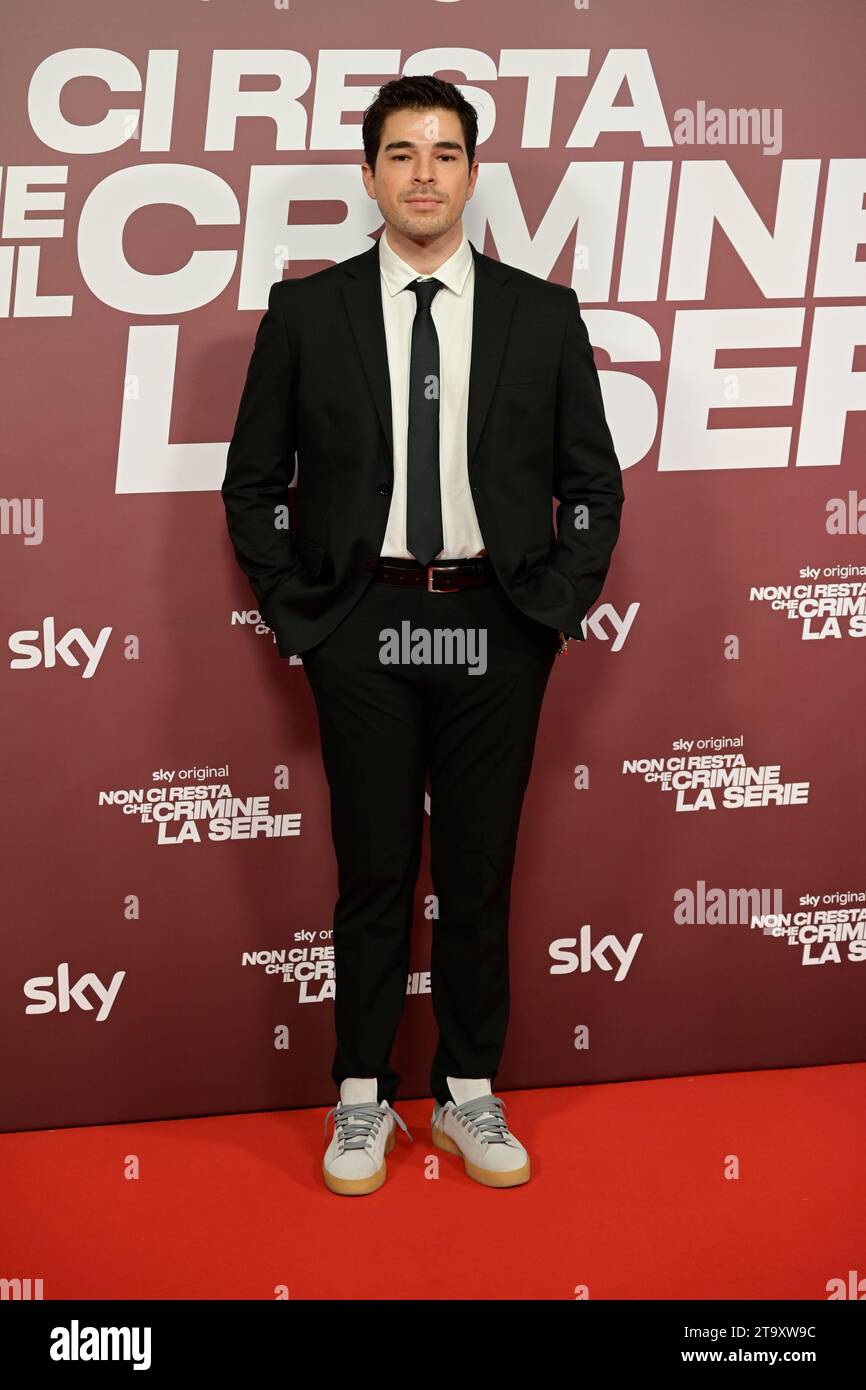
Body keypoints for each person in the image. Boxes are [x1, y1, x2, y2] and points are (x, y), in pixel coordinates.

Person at [221, 75, 624, 1197]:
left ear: (472, 175)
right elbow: (252, 486)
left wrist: (551, 601)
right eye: (400, 155)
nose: (423, 175)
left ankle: (466, 1091)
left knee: (481, 869)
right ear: (368, 175)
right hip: (367, 623)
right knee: (375, 867)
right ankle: (360, 1098)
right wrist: (307, 617)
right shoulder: (308, 312)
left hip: (496, 620)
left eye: (444, 154)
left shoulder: (541, 313)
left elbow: (591, 483)